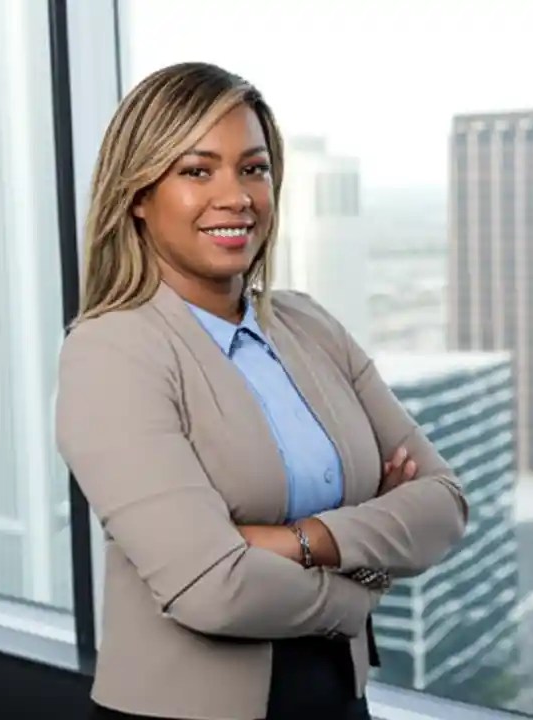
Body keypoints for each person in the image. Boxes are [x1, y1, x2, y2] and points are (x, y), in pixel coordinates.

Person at [55, 61, 468, 720]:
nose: (237, 196)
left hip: (338, 701)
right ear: (138, 194)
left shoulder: (309, 325)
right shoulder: (111, 353)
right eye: (197, 170)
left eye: (253, 168)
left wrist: (295, 540)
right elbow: (212, 588)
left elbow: (444, 504)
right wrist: (357, 589)